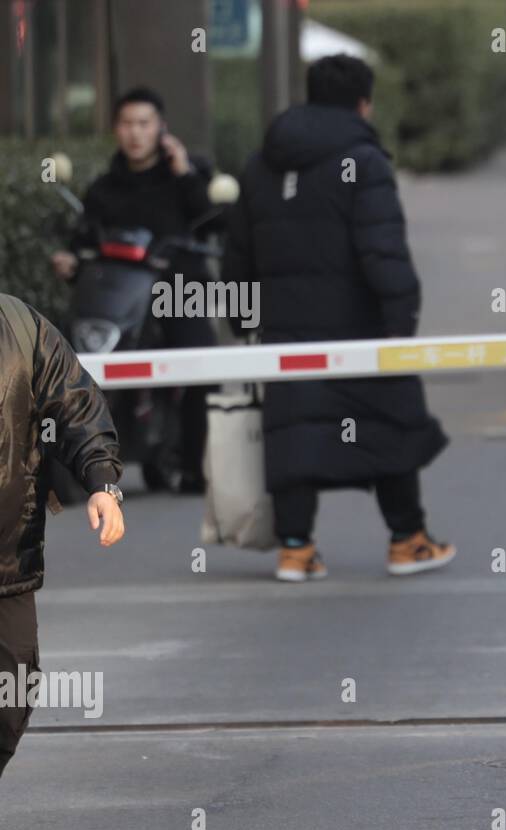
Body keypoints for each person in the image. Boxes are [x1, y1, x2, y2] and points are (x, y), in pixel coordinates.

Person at [222, 54, 455, 583]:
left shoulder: (261, 164)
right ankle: (407, 540)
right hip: (362, 327)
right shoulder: (362, 161)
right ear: (363, 103)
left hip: (284, 329)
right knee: (389, 425)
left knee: (294, 431)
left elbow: (238, 253)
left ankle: (296, 549)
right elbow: (383, 250)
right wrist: (402, 320)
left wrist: (241, 322)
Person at [50, 87, 216, 494]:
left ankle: (195, 465)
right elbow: (82, 237)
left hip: (175, 293)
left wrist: (184, 173)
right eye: (127, 124)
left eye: (144, 124)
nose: (135, 133)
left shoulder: (183, 179)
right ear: (116, 129)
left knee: (201, 361)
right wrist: (69, 260)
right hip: (116, 298)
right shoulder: (105, 186)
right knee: (67, 363)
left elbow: (211, 222)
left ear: (161, 129)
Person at [0, 293, 125, 782]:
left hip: (8, 558)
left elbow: (76, 403)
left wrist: (102, 483)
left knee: (12, 695)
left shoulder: (20, 325)